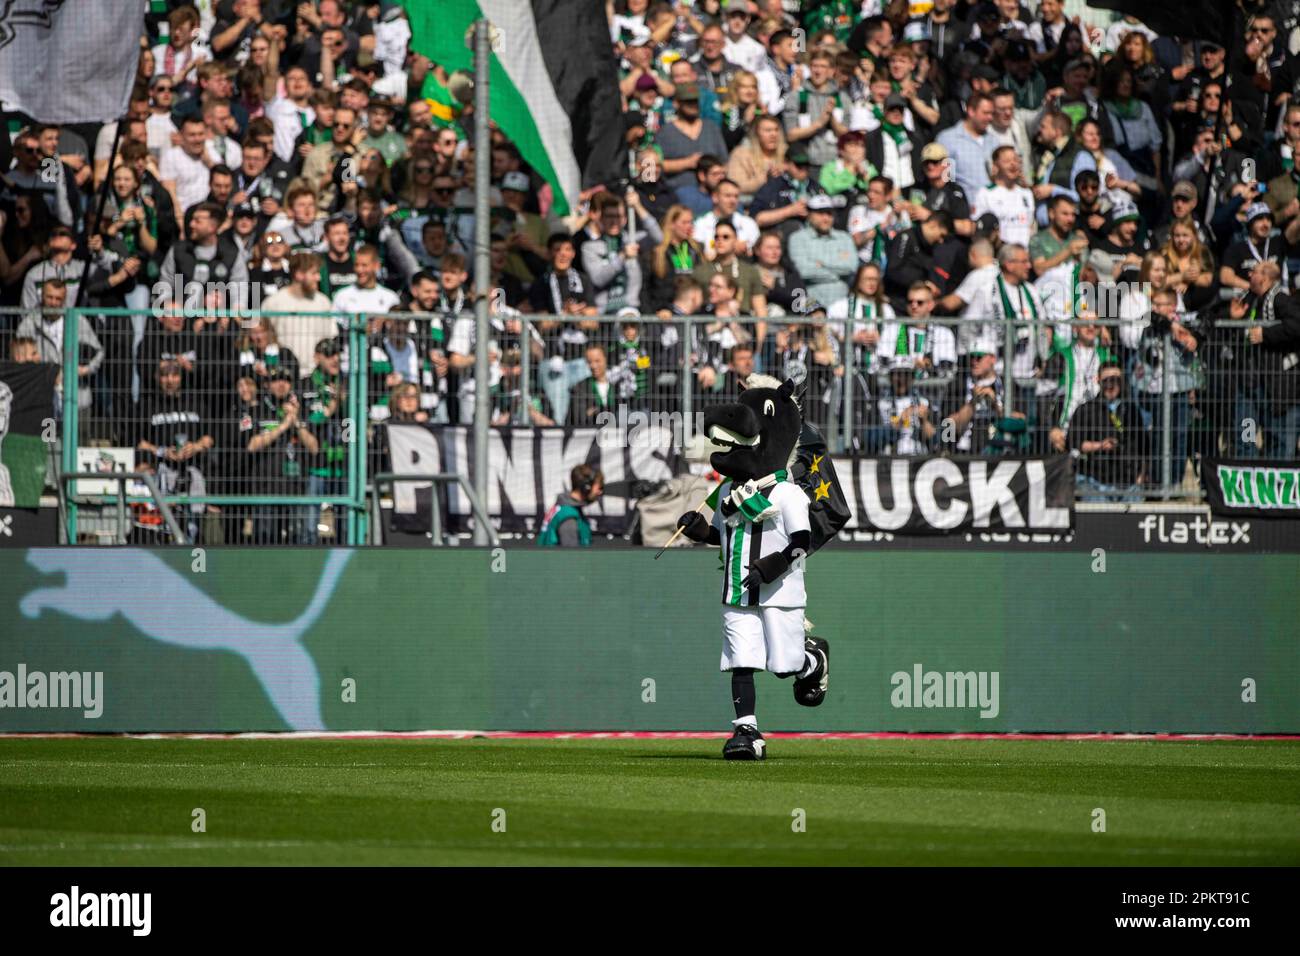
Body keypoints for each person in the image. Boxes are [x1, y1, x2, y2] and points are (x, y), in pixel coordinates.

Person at [787, 194, 857, 306]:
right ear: (809, 215)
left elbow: (851, 267)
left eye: (829, 213)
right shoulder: (797, 238)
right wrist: (836, 275)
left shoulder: (844, 237)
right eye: (820, 213)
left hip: (841, 301)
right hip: (810, 302)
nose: (826, 218)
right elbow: (802, 271)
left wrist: (821, 264)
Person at [536, 464, 604, 547]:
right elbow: (571, 557)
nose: (600, 492)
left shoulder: (564, 507)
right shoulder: (569, 519)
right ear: (587, 487)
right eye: (599, 488)